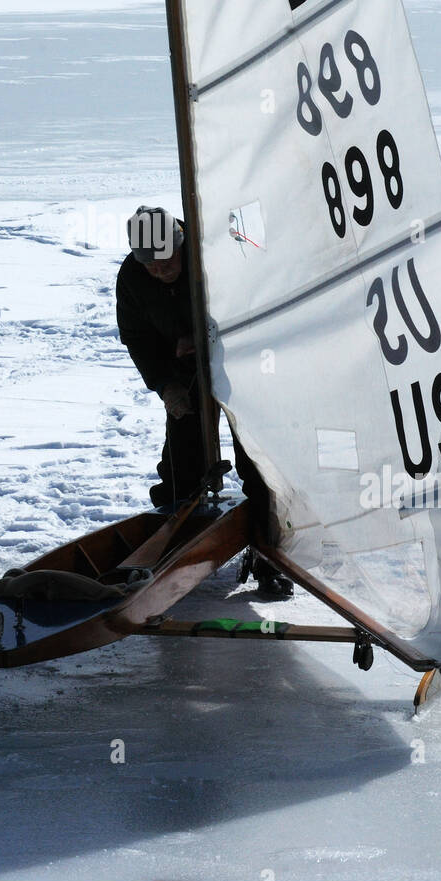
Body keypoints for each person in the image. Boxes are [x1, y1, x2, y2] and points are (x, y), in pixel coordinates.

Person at [116, 204, 292, 598]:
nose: (159, 271)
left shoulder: (216, 252)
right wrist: (165, 385)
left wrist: (205, 336)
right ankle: (174, 551)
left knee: (257, 464)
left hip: (241, 366)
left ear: (181, 241)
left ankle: (269, 557)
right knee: (182, 464)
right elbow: (137, 338)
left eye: (165, 261)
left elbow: (259, 302)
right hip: (184, 374)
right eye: (150, 266)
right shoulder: (132, 277)